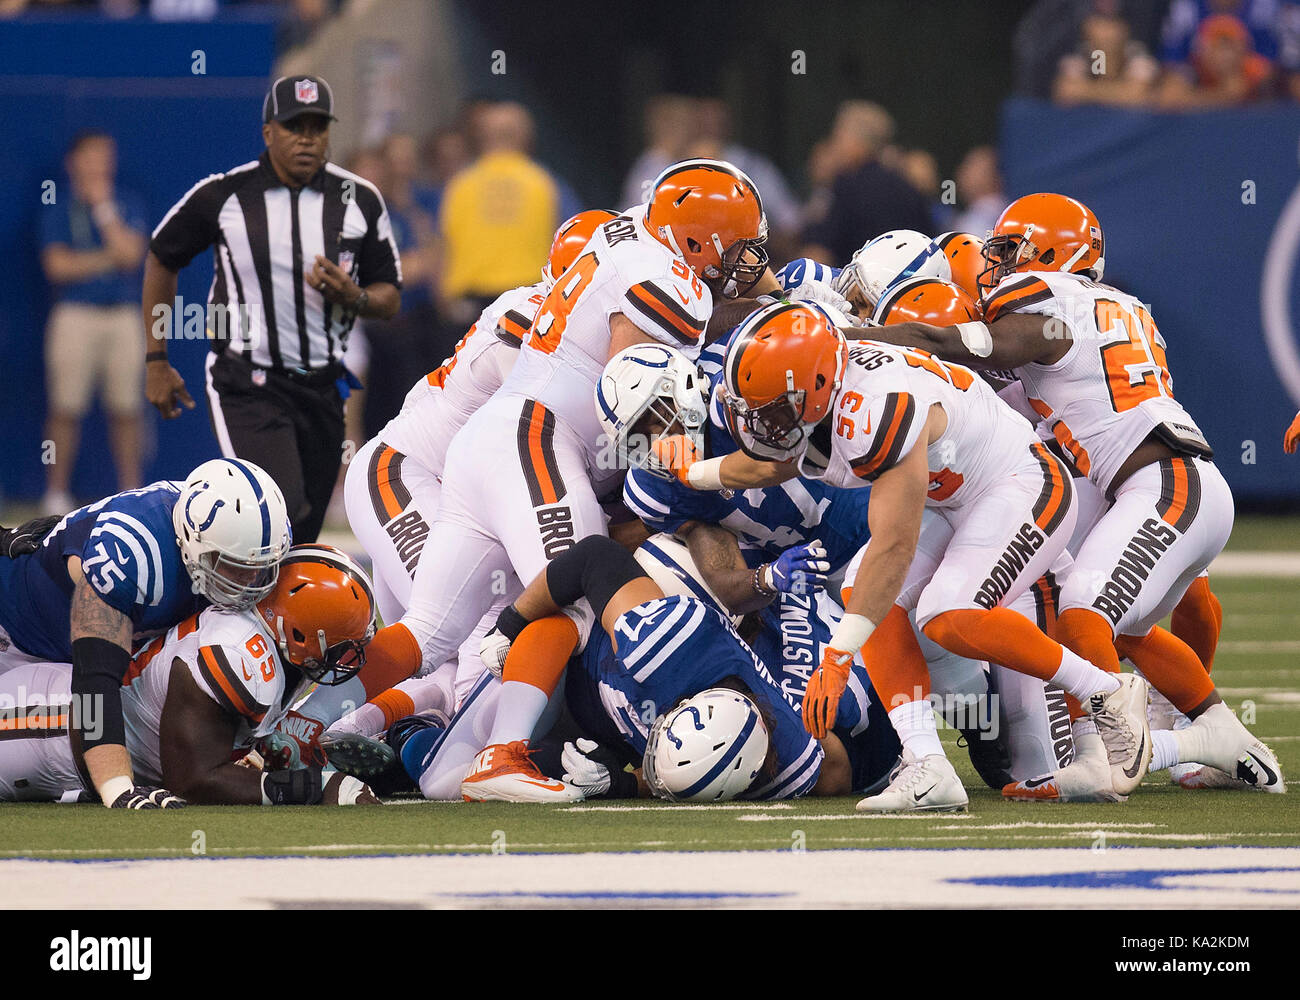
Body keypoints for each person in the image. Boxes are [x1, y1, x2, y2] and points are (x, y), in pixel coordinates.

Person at [856, 192, 1284, 796]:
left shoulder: (1048, 300)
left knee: (1083, 609)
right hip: (1148, 483)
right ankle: (1216, 731)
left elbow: (972, 347)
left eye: (1012, 249)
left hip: (1162, 483)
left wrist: (855, 338)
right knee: (1098, 619)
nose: (997, 263)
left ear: (1055, 254)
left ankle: (1134, 752)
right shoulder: (1122, 307)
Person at [656, 301, 1155, 812]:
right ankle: (929, 766)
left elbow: (894, 547)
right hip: (955, 495)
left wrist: (837, 655)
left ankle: (1107, 689)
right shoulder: (822, 395)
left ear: (820, 388)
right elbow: (767, 467)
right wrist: (692, 474)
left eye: (773, 410)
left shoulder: (873, 410)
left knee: (945, 614)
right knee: (861, 593)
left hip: (1020, 484)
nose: (759, 424)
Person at [143, 74, 402, 544]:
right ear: (268, 132)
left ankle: (281, 617)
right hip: (249, 380)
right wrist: (156, 358)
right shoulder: (225, 196)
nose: (307, 138)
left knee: (303, 530)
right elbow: (163, 256)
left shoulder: (359, 199)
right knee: (277, 508)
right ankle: (221, 610)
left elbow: (389, 295)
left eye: (317, 127)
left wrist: (356, 297)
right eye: (293, 126)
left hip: (325, 386)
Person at [0, 458, 291, 808]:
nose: (249, 583)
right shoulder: (133, 552)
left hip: (62, 654)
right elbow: (95, 678)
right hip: (15, 629)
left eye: (259, 568)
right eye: (233, 566)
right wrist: (116, 785)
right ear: (192, 543)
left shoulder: (230, 533)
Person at [0, 544, 380, 806]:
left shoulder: (272, 645)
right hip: (43, 724)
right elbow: (193, 781)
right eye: (340, 645)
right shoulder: (237, 654)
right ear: (297, 633)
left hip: (74, 750)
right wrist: (314, 788)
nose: (345, 658)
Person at [38, 131, 149, 514]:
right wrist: (107, 259)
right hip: (75, 316)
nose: (99, 164)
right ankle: (56, 491)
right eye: (91, 156)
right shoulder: (57, 206)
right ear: (74, 161)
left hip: (121, 316)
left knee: (127, 408)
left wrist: (104, 210)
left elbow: (131, 256)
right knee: (65, 406)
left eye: (106, 156)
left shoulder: (126, 203)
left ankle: (132, 491)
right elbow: (57, 266)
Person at [438, 103, 560, 327]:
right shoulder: (542, 183)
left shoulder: (461, 185)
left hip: (471, 304)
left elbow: (444, 247)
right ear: (524, 136)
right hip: (528, 300)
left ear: (481, 137)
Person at [801, 102, 932, 266]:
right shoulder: (910, 188)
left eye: (839, 136)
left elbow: (817, 254)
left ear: (856, 142)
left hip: (851, 288)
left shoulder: (845, 186)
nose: (835, 144)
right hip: (909, 287)